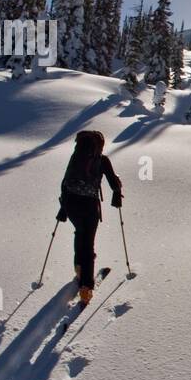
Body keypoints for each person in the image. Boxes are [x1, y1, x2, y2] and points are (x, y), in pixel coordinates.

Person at [56, 130, 123, 303]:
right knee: (88, 242)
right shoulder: (102, 160)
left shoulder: (75, 157)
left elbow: (65, 182)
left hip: (71, 204)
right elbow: (114, 183)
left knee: (80, 233)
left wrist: (63, 208)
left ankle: (79, 267)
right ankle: (86, 286)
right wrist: (117, 195)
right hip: (89, 205)